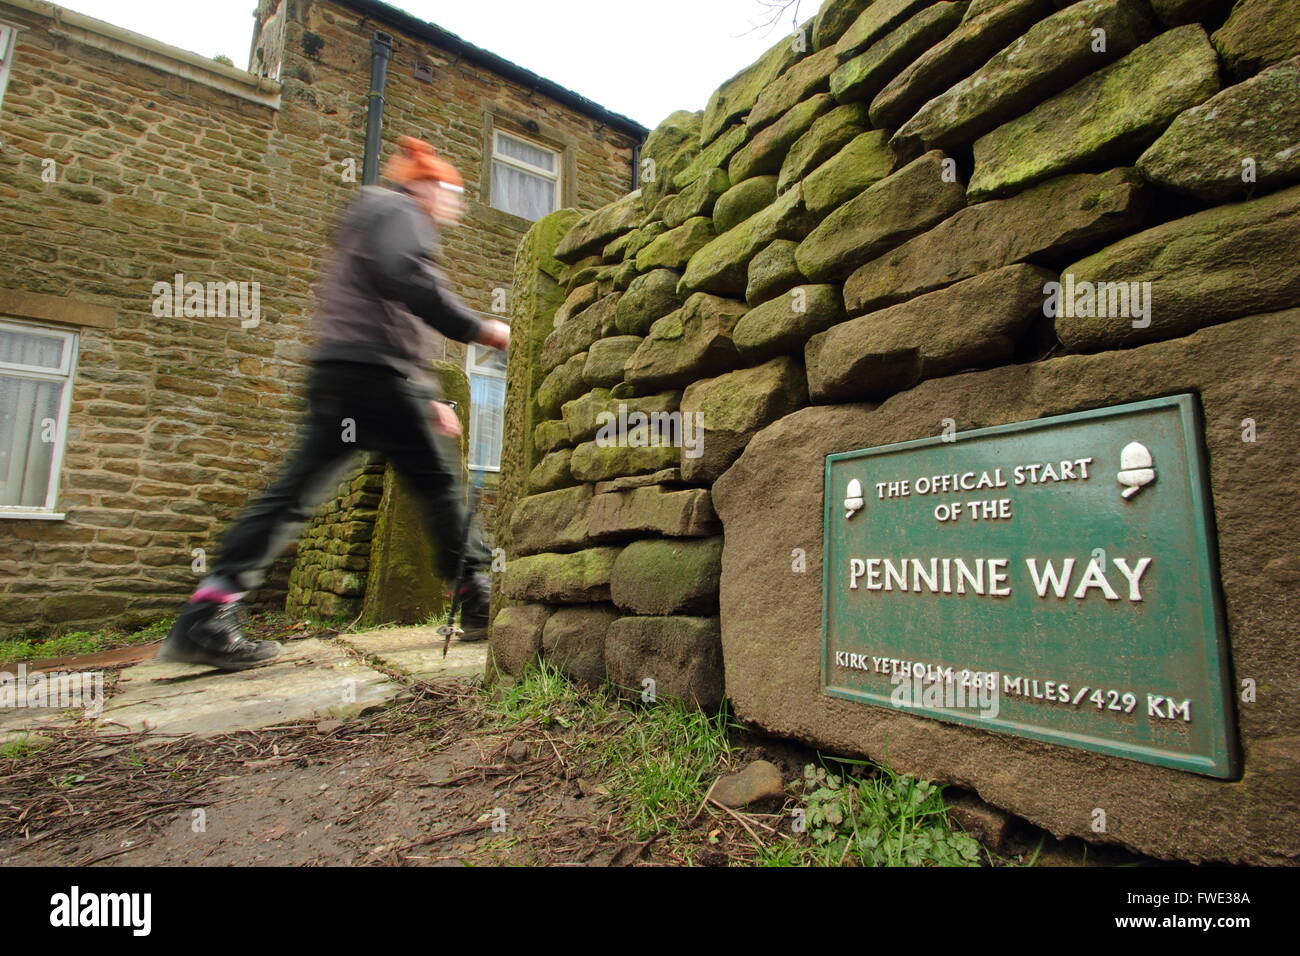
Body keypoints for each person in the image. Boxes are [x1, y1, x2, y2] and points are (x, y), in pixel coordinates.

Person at [158, 135, 508, 671]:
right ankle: (476, 598)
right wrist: (481, 330)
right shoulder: (398, 210)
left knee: (297, 490)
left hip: (351, 373)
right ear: (426, 185)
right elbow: (409, 284)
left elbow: (392, 313)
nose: (455, 206)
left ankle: (208, 609)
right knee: (439, 489)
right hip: (375, 377)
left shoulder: (375, 213)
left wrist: (430, 394)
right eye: (451, 193)